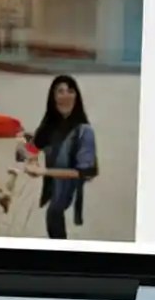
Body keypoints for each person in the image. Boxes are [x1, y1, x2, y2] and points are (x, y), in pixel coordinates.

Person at [21, 75, 98, 239]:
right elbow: (32, 148)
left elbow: (85, 172)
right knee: (53, 214)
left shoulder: (84, 132)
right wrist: (31, 158)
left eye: (70, 91)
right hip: (54, 182)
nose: (65, 96)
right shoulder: (49, 125)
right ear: (53, 98)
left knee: (54, 212)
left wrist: (43, 171)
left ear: (76, 96)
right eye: (60, 91)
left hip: (68, 181)